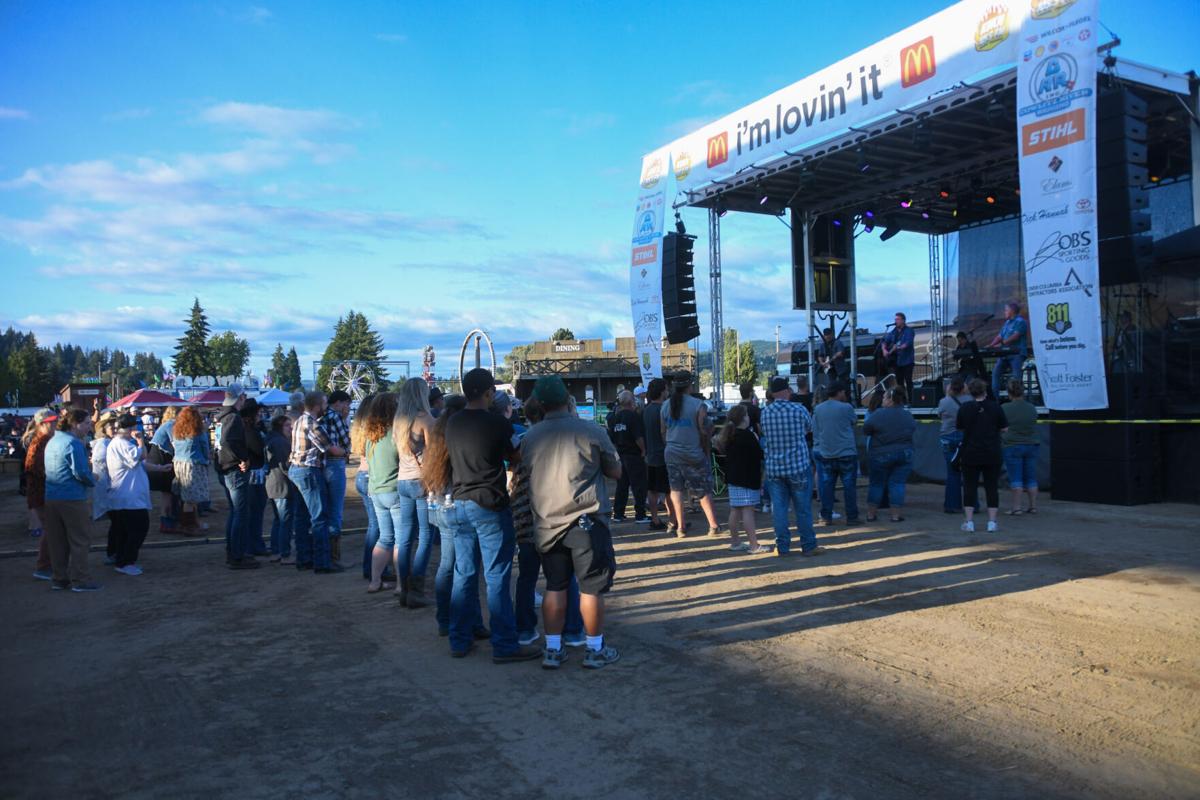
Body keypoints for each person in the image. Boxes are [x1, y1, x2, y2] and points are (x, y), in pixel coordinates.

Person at [521, 375, 623, 669]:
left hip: (547, 524)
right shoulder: (591, 430)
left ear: (539, 403)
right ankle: (594, 649)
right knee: (591, 589)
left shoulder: (530, 438)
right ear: (568, 399)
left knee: (555, 586)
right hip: (586, 521)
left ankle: (552, 650)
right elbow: (614, 472)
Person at [444, 369, 540, 662]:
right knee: (497, 576)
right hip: (489, 503)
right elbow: (516, 457)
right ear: (488, 392)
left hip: (458, 503)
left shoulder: (452, 422)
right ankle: (505, 645)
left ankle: (459, 639)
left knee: (464, 573)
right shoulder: (498, 422)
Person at [510, 396, 586, 648]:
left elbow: (514, 479)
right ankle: (573, 630)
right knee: (564, 578)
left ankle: (524, 629)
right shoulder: (559, 442)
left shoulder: (521, 443)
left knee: (527, 577)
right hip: (555, 519)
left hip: (526, 519)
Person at [420, 394, 487, 640]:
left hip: (438, 505)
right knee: (466, 569)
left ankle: (447, 620)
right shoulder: (461, 435)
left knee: (449, 567)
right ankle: (469, 623)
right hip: (456, 505)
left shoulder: (437, 436)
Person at [760, 376, 822, 557]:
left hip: (774, 469)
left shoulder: (765, 412)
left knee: (779, 510)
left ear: (772, 393)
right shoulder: (799, 409)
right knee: (802, 509)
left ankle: (782, 547)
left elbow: (764, 432)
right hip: (798, 467)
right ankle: (809, 546)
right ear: (787, 391)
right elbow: (809, 428)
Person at [392, 377, 436, 607]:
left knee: (405, 536)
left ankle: (405, 588)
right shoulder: (426, 420)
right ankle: (417, 589)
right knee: (426, 535)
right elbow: (433, 455)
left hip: (403, 480)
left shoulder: (398, 422)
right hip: (421, 482)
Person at [43, 409, 98, 591]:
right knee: (80, 540)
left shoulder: (52, 441)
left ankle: (60, 578)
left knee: (57, 540)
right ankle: (80, 580)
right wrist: (93, 479)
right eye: (87, 423)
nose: (89, 427)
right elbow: (81, 472)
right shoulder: (73, 443)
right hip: (72, 498)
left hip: (52, 497)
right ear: (75, 424)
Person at [660, 371, 720, 538]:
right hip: (693, 453)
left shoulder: (665, 405)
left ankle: (680, 527)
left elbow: (662, 432)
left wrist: (672, 444)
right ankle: (713, 525)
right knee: (703, 489)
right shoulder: (698, 405)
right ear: (689, 385)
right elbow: (703, 430)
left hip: (672, 452)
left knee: (676, 489)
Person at [289, 391, 343, 573]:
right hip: (308, 471)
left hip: (296, 469)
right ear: (317, 405)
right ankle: (322, 562)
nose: (326, 408)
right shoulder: (312, 424)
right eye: (324, 404)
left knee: (302, 517)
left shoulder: (299, 421)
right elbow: (332, 449)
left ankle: (304, 558)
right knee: (319, 517)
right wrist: (346, 451)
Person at [108, 413, 169, 575]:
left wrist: (159, 468)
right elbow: (140, 456)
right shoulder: (123, 444)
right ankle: (126, 561)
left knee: (127, 530)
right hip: (129, 495)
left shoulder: (122, 443)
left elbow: (141, 463)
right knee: (138, 528)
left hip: (128, 494)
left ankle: (123, 560)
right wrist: (141, 440)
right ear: (131, 428)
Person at [363, 392, 404, 593]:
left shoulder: (371, 436)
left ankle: (375, 581)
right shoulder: (395, 434)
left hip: (376, 490)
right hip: (393, 490)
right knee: (399, 539)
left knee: (385, 537)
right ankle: (400, 584)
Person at [714, 404, 768, 553]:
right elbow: (759, 456)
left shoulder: (729, 435)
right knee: (747, 511)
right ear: (744, 418)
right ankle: (753, 545)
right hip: (747, 478)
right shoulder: (748, 436)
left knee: (735, 510)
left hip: (733, 477)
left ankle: (735, 542)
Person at [957, 378, 1008, 533]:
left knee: (969, 487)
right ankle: (992, 522)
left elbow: (959, 428)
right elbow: (1004, 428)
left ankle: (969, 521)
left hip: (970, 452)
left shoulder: (965, 407)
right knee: (991, 487)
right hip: (992, 452)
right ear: (985, 391)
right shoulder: (995, 407)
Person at [215, 385, 256, 569]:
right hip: (233, 469)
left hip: (223, 468)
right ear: (240, 398)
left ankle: (233, 552)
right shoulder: (233, 418)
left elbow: (221, 443)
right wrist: (243, 458)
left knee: (235, 513)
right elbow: (228, 441)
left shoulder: (221, 418)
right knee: (240, 513)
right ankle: (237, 555)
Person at [862, 387, 916, 522]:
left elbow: (866, 429)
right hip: (904, 453)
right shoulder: (907, 414)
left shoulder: (878, 414)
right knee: (897, 484)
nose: (883, 400)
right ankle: (895, 515)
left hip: (880, 453)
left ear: (891, 399)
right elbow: (913, 429)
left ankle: (871, 514)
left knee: (876, 484)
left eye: (885, 397)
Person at [812, 381, 860, 526]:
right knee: (849, 487)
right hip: (846, 452)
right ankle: (852, 517)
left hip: (827, 453)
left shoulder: (818, 409)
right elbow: (854, 422)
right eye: (844, 392)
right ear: (839, 392)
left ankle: (826, 516)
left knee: (827, 487)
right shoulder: (847, 407)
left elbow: (816, 428)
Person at [348, 395, 382, 579]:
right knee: (379, 528)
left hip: (361, 474)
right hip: (372, 476)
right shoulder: (374, 427)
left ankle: (371, 568)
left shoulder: (358, 428)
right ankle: (374, 569)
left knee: (374, 526)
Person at [320, 389, 352, 566]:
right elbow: (346, 441)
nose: (347, 407)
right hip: (335, 463)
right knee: (336, 511)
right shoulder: (336, 416)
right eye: (346, 403)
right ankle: (334, 556)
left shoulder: (323, 416)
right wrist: (346, 451)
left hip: (323, 464)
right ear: (338, 402)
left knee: (325, 509)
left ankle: (327, 552)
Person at [607, 390, 648, 524]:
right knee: (638, 485)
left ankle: (618, 514)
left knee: (622, 486)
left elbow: (611, 438)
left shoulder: (614, 417)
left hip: (620, 454)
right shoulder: (633, 416)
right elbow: (638, 437)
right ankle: (640, 514)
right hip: (634, 455)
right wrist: (643, 450)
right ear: (631, 402)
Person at [936, 377, 975, 515]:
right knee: (970, 472)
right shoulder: (970, 400)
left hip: (948, 437)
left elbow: (940, 415)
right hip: (965, 437)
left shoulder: (944, 401)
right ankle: (972, 504)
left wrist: (948, 395)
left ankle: (952, 505)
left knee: (952, 473)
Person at [171, 406, 212, 537]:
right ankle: (189, 526)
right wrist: (207, 460)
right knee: (191, 499)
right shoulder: (198, 432)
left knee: (187, 497)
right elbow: (205, 448)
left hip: (179, 465)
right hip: (193, 465)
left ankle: (193, 523)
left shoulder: (177, 432)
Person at [1002, 378, 1040, 515]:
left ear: (1009, 393)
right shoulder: (1031, 408)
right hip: (1031, 444)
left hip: (1012, 445)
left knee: (1016, 477)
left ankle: (1016, 507)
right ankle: (1033, 506)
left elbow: (1001, 426)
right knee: (1031, 477)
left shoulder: (1005, 408)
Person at [26, 410, 56, 580]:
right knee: (51, 530)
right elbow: (39, 471)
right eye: (51, 421)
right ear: (41, 424)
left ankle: (46, 564)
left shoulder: (45, 441)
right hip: (41, 493)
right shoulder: (40, 443)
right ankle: (43, 566)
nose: (55, 424)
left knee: (52, 529)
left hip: (43, 493)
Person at [265, 412, 298, 564]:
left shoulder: (272, 439)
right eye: (287, 425)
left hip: (273, 483)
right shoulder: (280, 442)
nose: (290, 428)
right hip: (281, 484)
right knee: (285, 520)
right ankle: (284, 553)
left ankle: (276, 551)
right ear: (280, 427)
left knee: (279, 520)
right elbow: (285, 465)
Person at [641, 378, 673, 531]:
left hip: (650, 456)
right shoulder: (664, 409)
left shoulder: (645, 410)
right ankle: (674, 519)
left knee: (652, 490)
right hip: (664, 455)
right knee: (670, 490)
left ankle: (655, 519)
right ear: (662, 391)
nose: (668, 392)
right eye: (666, 389)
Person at [239, 398, 270, 556]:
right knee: (255, 511)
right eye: (258, 413)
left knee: (256, 510)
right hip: (254, 474)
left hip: (256, 472)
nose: (260, 415)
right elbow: (258, 448)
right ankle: (254, 544)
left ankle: (255, 543)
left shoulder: (253, 429)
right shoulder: (250, 431)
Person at [90, 412, 118, 562]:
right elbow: (100, 463)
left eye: (115, 425)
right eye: (110, 425)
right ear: (104, 428)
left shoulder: (108, 442)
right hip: (107, 486)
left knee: (118, 522)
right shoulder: (103, 443)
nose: (114, 427)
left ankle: (114, 551)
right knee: (117, 521)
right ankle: (112, 552)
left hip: (110, 485)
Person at [147, 406, 179, 533]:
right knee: (168, 492)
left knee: (168, 493)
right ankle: (166, 522)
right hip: (161, 459)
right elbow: (176, 443)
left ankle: (168, 520)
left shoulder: (166, 424)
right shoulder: (171, 424)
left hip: (160, 457)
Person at [989, 302, 1029, 399]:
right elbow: (999, 336)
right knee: (995, 373)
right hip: (1005, 354)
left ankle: (1018, 400)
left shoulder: (1020, 321)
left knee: (1016, 377)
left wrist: (1001, 344)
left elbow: (1015, 336)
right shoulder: (1007, 323)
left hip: (1017, 354)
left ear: (1011, 311)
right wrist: (991, 345)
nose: (1004, 312)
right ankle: (995, 401)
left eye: (1006, 310)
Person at [881, 312, 916, 400]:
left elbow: (908, 343)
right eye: (895, 319)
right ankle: (902, 401)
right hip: (897, 362)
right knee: (899, 382)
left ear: (903, 320)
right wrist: (884, 349)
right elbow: (884, 341)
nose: (895, 321)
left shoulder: (909, 331)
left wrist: (898, 348)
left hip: (907, 361)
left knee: (908, 381)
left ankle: (912, 400)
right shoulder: (893, 332)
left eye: (897, 319)